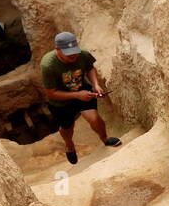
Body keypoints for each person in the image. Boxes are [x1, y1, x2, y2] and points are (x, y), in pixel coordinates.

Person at [40, 31, 121, 164]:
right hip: (60, 101)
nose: (73, 55)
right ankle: (69, 144)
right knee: (67, 127)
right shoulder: (48, 65)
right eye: (69, 52)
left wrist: (95, 84)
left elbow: (90, 68)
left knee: (94, 118)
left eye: (74, 50)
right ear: (58, 50)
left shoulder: (82, 55)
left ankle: (105, 138)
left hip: (82, 89)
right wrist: (77, 95)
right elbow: (51, 93)